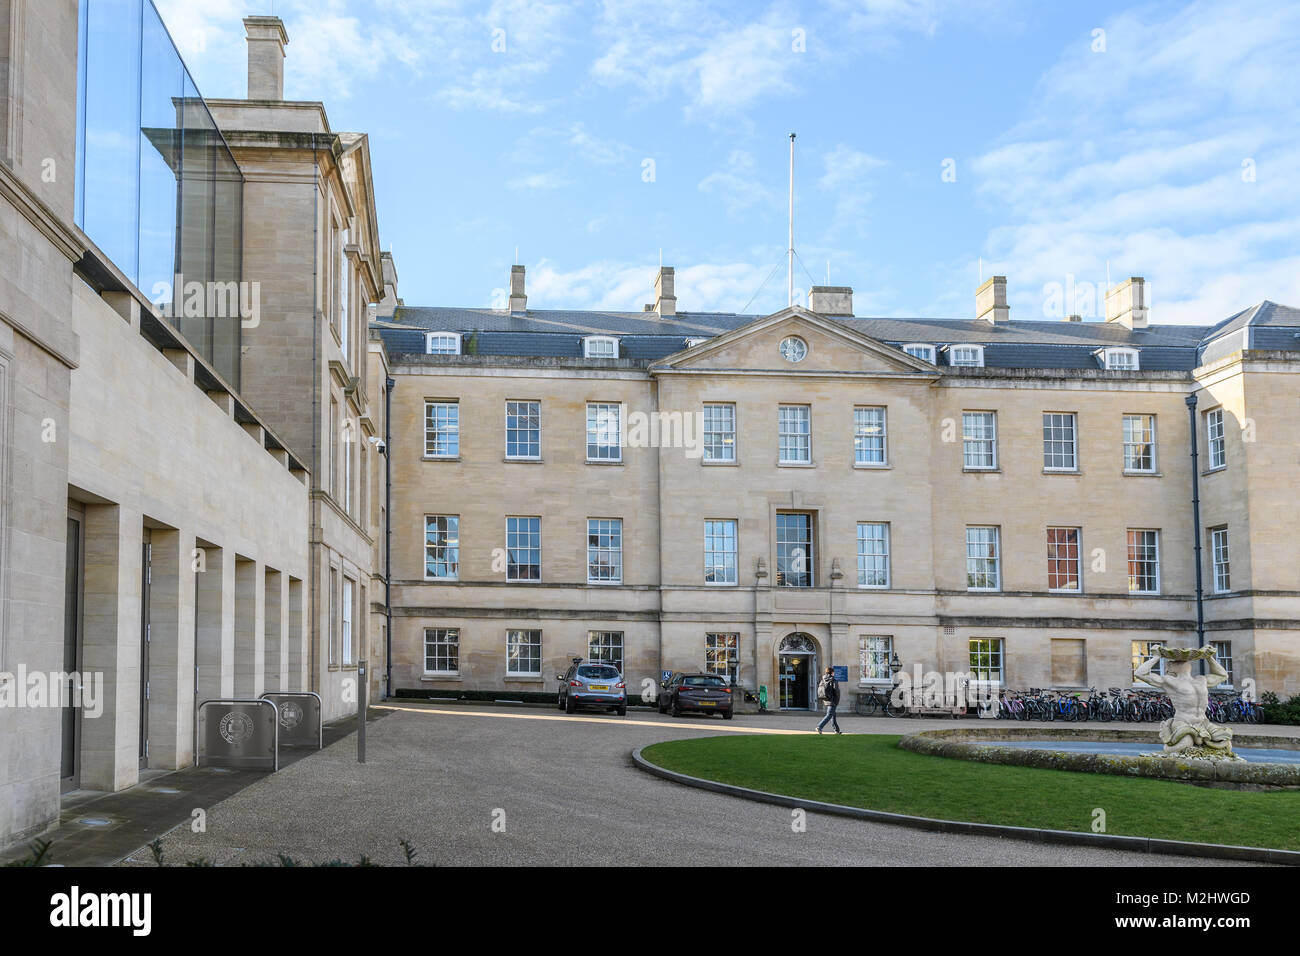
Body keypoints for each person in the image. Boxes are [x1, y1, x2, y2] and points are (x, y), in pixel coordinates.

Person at [816, 667, 841, 735]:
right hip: (832, 700)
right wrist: (837, 700)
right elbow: (837, 691)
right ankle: (819, 726)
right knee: (829, 715)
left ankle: (837, 730)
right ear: (832, 672)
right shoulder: (833, 680)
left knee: (833, 715)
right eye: (833, 672)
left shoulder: (823, 680)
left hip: (826, 699)